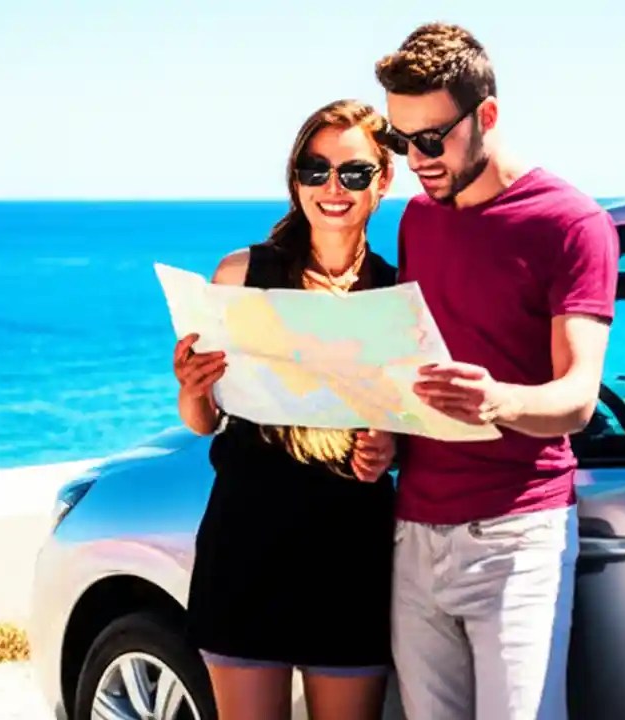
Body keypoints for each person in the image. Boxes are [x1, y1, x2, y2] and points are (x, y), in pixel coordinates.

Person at [372, 22, 620, 720]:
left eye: (431, 139)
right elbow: (418, 372)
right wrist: (385, 437)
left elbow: (576, 399)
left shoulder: (570, 225)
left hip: (518, 536)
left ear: (486, 116)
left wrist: (495, 400)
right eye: (400, 140)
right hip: (414, 531)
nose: (416, 160)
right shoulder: (419, 221)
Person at [171, 99, 400, 720]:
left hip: (351, 554)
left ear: (383, 181)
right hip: (247, 544)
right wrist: (192, 387)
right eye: (314, 168)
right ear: (294, 178)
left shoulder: (396, 293)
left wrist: (390, 447)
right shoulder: (242, 274)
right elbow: (205, 420)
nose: (332, 187)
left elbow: (402, 421)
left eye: (353, 172)